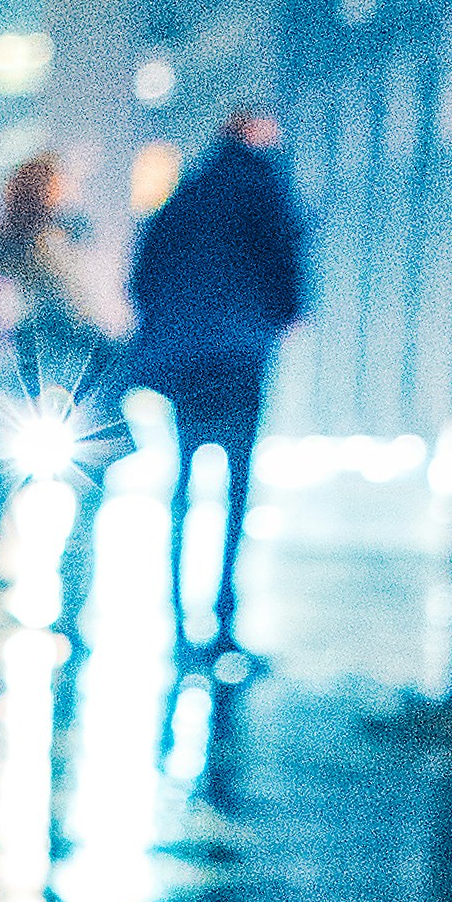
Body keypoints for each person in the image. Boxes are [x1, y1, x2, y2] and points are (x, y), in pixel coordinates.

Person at [126, 112, 306, 664]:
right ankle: (223, 618)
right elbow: (289, 267)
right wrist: (277, 316)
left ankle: (179, 619)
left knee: (183, 483)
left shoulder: (187, 192)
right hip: (240, 358)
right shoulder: (267, 189)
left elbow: (144, 270)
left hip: (185, 360)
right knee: (234, 491)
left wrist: (167, 330)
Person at [0, 150, 124, 605]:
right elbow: (80, 306)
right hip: (69, 374)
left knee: (18, 473)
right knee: (87, 476)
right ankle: (74, 582)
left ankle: (23, 561)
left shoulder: (0, 247)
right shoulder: (49, 245)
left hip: (23, 380)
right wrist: (112, 342)